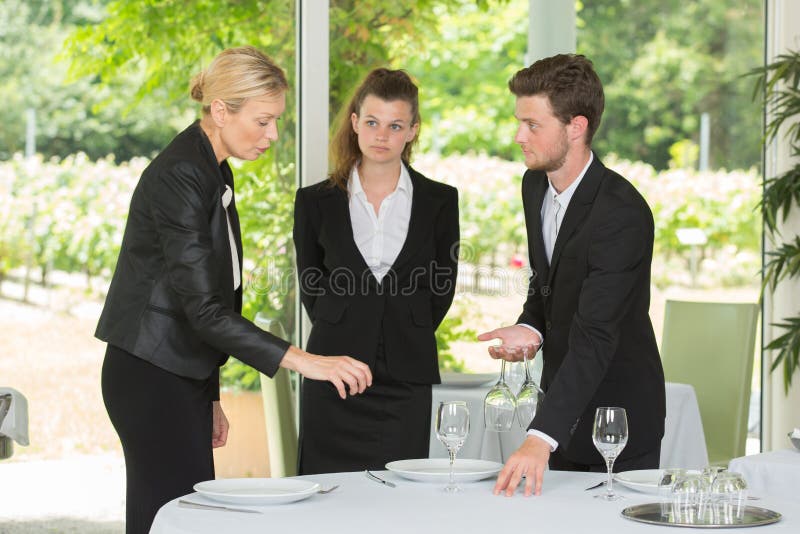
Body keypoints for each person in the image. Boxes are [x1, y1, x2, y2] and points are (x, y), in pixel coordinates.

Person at [95, 46, 372, 534]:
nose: (272, 134)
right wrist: (307, 361)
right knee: (167, 518)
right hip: (149, 377)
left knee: (183, 517)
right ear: (221, 111)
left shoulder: (212, 168)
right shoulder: (182, 174)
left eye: (277, 121)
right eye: (263, 121)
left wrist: (210, 393)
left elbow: (207, 299)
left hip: (178, 374)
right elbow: (203, 310)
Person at [477, 54, 665, 497]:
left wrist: (539, 437)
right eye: (519, 122)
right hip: (559, 411)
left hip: (616, 424)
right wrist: (530, 327)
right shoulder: (535, 184)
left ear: (575, 127)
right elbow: (548, 282)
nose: (519, 136)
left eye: (533, 125)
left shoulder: (621, 213)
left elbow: (597, 335)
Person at [293, 68, 459, 474]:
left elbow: (443, 284)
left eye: (395, 125)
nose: (381, 135)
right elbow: (311, 282)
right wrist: (348, 321)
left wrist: (408, 325)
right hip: (334, 370)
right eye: (371, 122)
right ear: (355, 123)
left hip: (407, 377)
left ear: (412, 130)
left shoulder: (440, 200)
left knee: (399, 498)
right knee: (325, 498)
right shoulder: (315, 201)